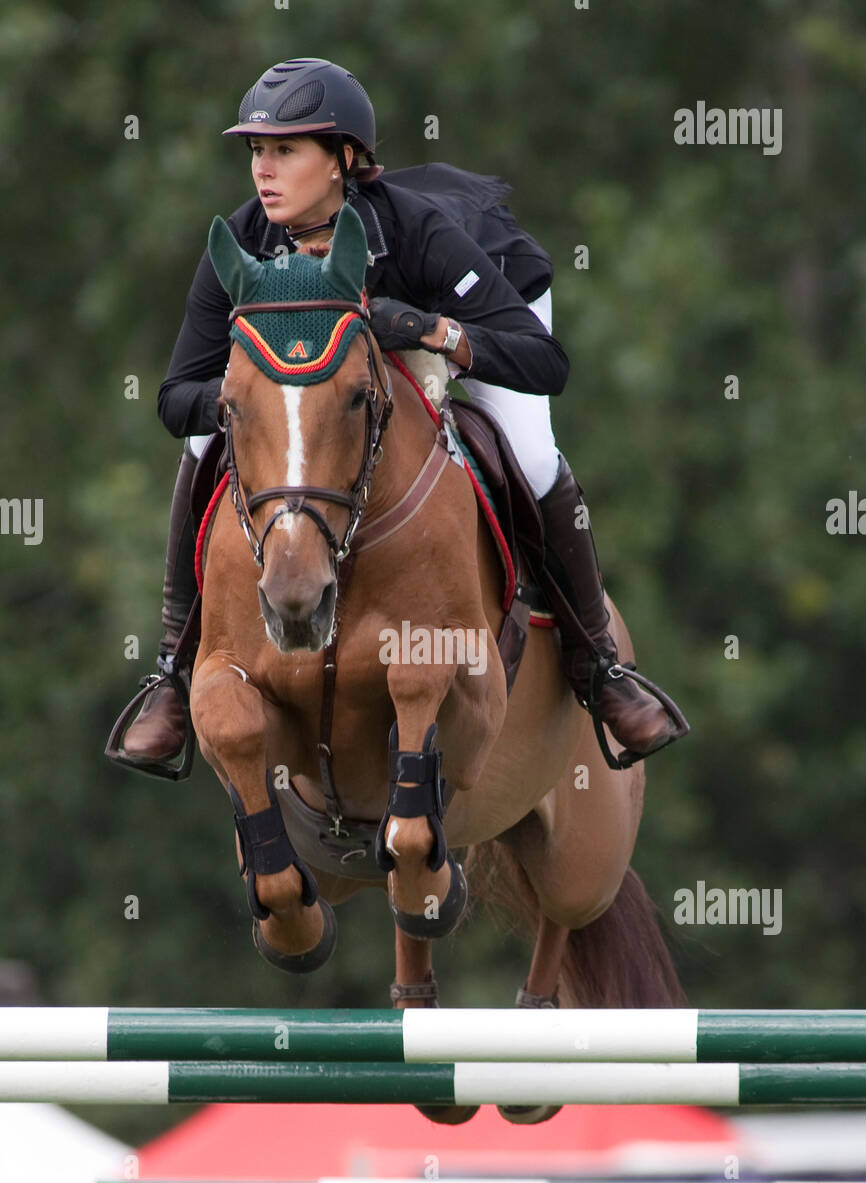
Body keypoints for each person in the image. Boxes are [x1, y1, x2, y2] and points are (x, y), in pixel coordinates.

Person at [114, 57, 687, 774]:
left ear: (343, 160)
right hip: (334, 386)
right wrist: (254, 404)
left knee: (534, 455)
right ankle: (172, 668)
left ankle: (599, 667)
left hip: (478, 314)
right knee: (201, 446)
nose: (264, 170)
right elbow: (175, 398)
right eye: (257, 150)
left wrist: (431, 330)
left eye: (286, 150)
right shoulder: (244, 240)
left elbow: (546, 363)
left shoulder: (415, 231)